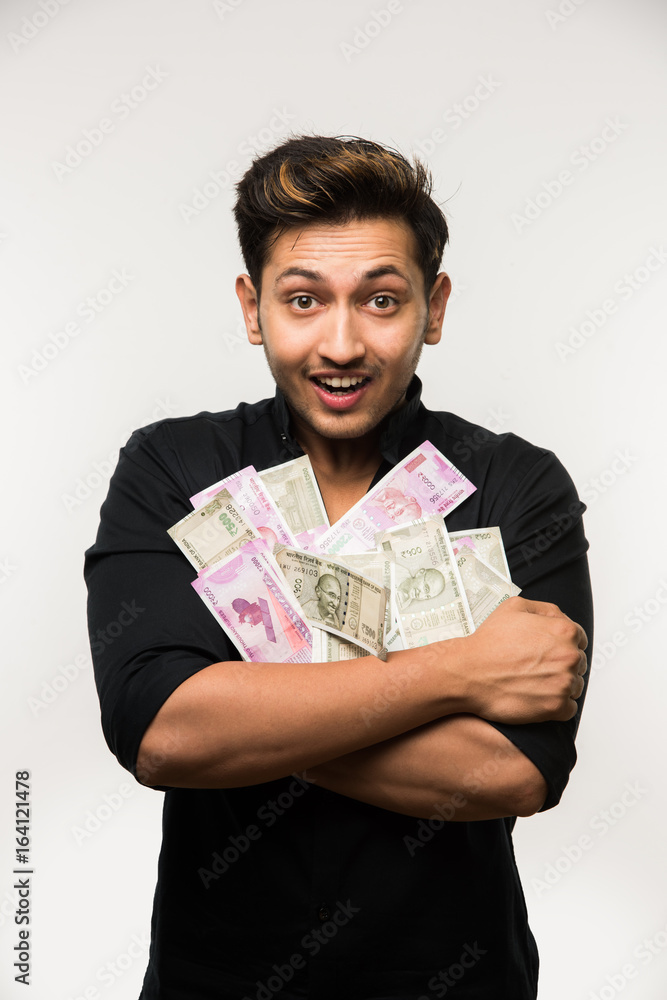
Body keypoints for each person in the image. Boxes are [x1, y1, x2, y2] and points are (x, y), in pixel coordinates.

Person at [84, 135, 593, 999]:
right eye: (303, 300)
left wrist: (245, 714)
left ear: (433, 308)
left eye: (381, 300)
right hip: (217, 982)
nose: (342, 343)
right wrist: (461, 672)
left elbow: (514, 771)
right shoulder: (171, 466)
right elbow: (160, 732)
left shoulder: (516, 484)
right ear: (253, 309)